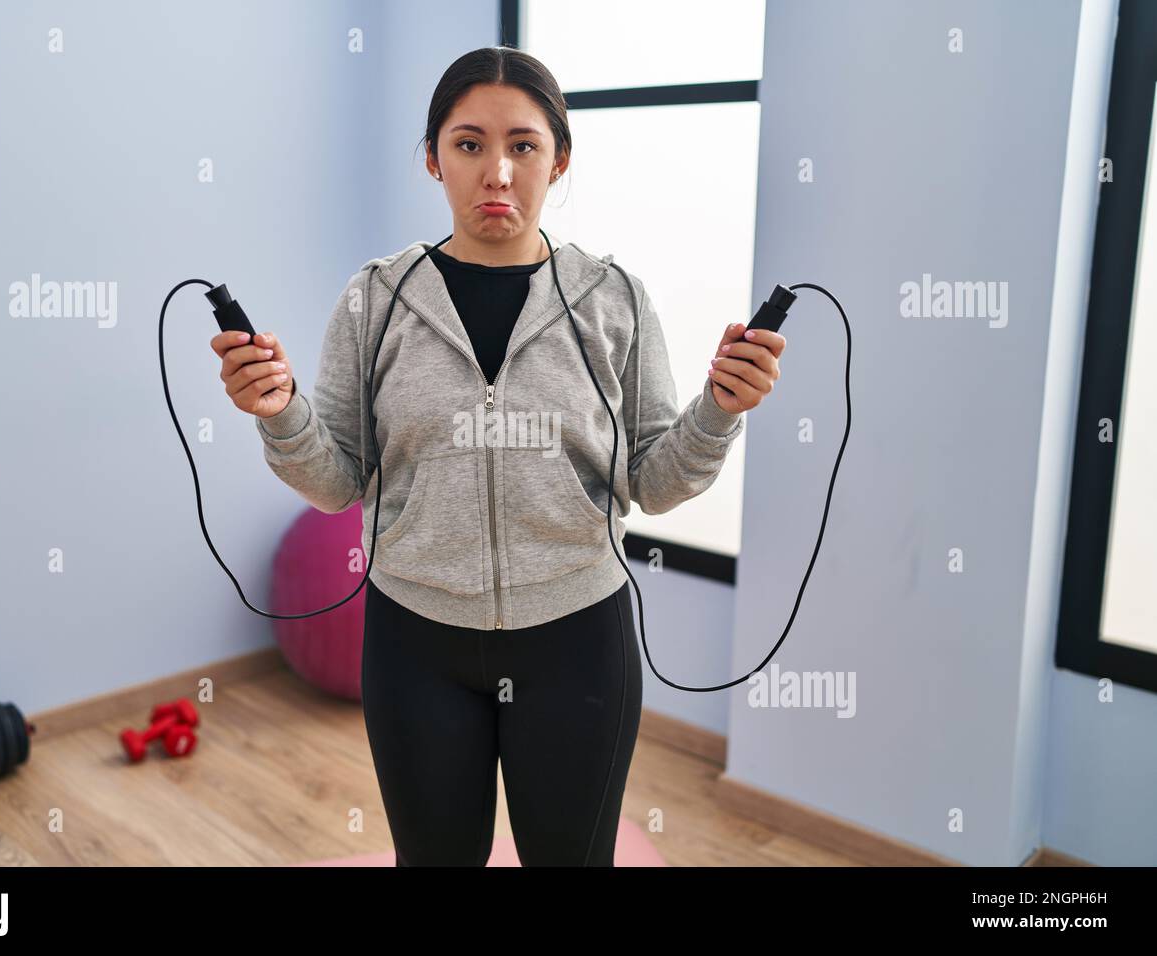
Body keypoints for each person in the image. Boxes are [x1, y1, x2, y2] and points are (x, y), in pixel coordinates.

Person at [211, 46, 786, 866]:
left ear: (560, 162)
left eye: (523, 146)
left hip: (579, 640)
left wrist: (719, 412)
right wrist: (281, 415)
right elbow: (337, 482)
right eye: (469, 143)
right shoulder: (375, 299)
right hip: (415, 644)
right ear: (433, 157)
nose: (498, 172)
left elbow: (654, 484)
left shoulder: (612, 299)